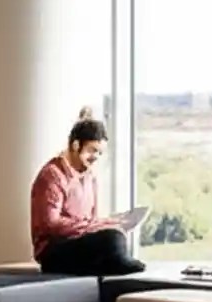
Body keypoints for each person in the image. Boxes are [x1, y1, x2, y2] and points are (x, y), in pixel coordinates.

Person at [30, 110, 145, 276]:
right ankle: (115, 262)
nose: (96, 157)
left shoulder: (90, 177)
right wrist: (94, 226)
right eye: (92, 150)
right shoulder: (52, 175)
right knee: (111, 239)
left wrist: (106, 223)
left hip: (79, 242)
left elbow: (91, 218)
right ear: (76, 145)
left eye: (99, 153)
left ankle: (114, 263)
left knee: (115, 235)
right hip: (54, 250)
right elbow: (52, 224)